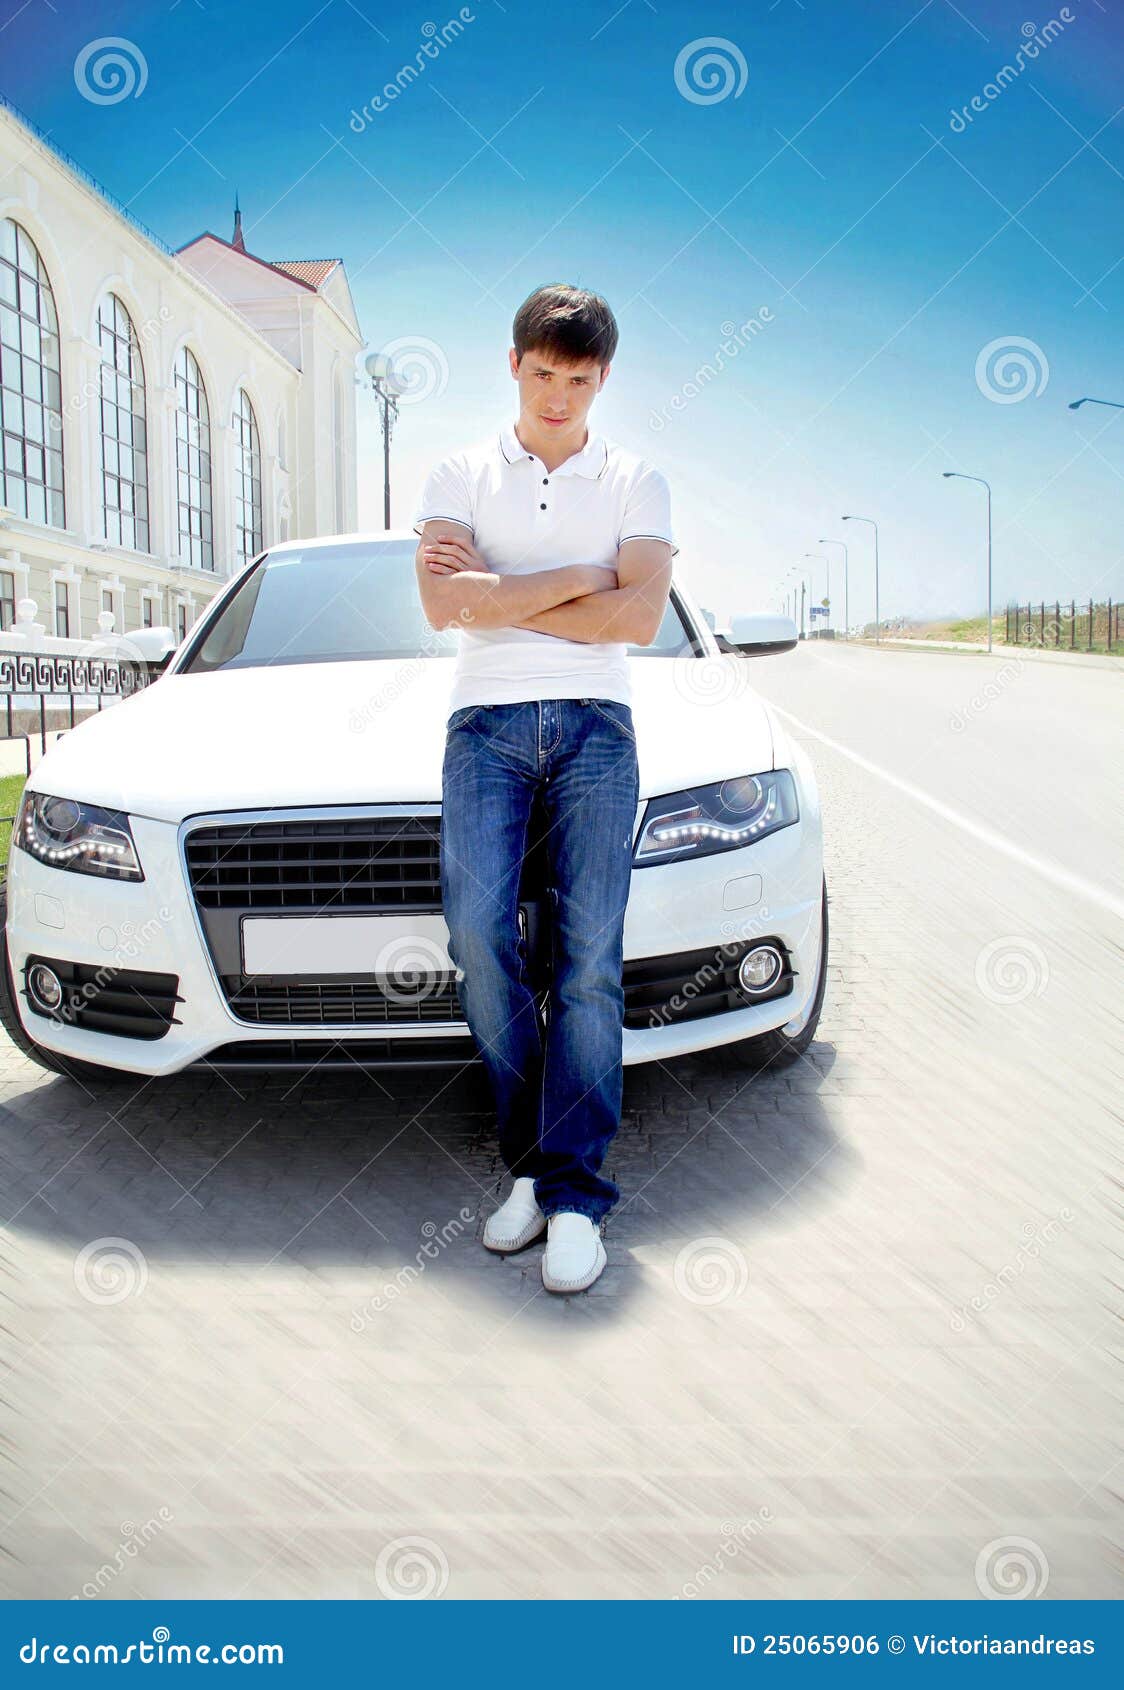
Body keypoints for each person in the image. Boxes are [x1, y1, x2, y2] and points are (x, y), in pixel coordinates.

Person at [413, 283, 676, 1293]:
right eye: (541, 373)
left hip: (596, 731)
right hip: (482, 725)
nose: (558, 395)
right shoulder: (456, 471)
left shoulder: (635, 478)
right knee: (479, 937)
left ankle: (572, 1193)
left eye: (578, 378)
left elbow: (638, 621)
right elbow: (443, 604)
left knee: (587, 960)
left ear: (599, 379)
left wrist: (508, 591)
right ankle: (525, 1164)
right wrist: (584, 580)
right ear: (512, 365)